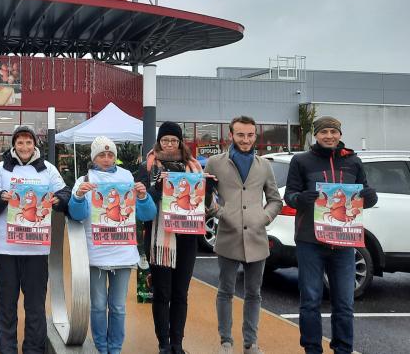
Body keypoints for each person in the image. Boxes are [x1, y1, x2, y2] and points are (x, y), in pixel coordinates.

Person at [283, 117, 377, 354]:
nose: (329, 136)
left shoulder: (353, 161)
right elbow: (290, 195)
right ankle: (312, 349)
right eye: (324, 131)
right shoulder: (301, 160)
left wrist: (370, 196)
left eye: (333, 132)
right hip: (310, 241)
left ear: (339, 134)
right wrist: (299, 199)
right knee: (311, 301)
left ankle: (343, 349)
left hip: (344, 243)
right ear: (316, 135)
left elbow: (363, 196)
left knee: (345, 303)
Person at [0, 125, 72, 354]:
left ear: (35, 144)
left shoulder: (48, 169)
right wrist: (1, 198)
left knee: (35, 305)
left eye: (28, 142)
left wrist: (57, 200)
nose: (24, 146)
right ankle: (7, 349)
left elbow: (66, 194)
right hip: (6, 249)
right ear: (14, 144)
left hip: (37, 249)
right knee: (6, 304)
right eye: (20, 142)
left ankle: (34, 349)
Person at [68, 136, 157, 354]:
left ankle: (115, 349)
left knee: (118, 307)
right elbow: (76, 215)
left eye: (110, 155)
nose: (106, 159)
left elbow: (148, 214)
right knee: (98, 306)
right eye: (101, 155)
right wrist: (79, 197)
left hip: (123, 255)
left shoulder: (127, 177)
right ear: (93, 158)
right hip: (96, 254)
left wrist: (144, 197)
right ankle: (101, 347)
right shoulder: (84, 180)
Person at [204, 116, 283, 354]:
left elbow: (275, 200)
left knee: (254, 294)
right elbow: (205, 196)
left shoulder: (264, 165)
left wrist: (264, 218)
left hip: (257, 237)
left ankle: (251, 343)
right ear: (231, 135)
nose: (245, 139)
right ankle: (226, 341)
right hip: (228, 234)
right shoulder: (215, 163)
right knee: (225, 291)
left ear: (255, 136)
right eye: (240, 135)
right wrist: (218, 211)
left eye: (250, 135)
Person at [138, 121, 203, 354]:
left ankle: (178, 343)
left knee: (180, 293)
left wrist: (210, 187)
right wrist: (158, 186)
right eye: (165, 140)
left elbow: (206, 203)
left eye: (173, 140)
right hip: (159, 237)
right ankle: (163, 343)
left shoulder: (193, 167)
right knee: (162, 292)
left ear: (179, 142)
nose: (169, 144)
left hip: (187, 237)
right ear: (159, 142)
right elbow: (142, 202)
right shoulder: (147, 167)